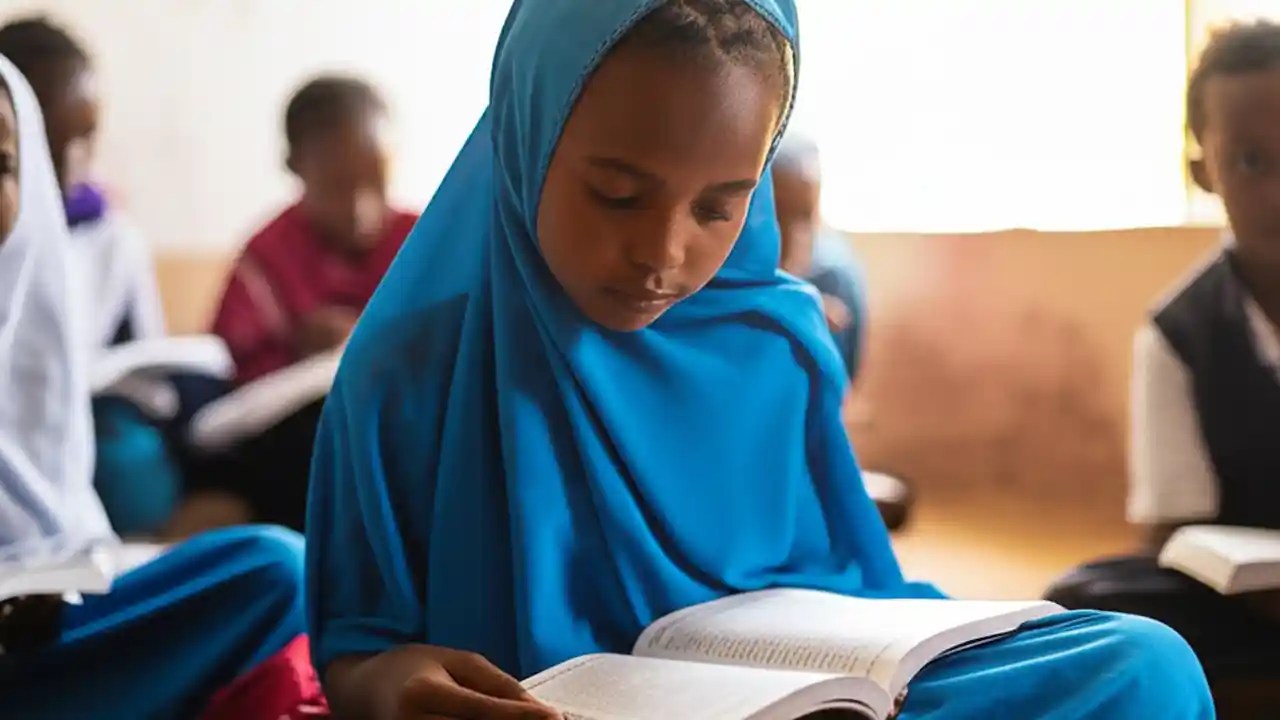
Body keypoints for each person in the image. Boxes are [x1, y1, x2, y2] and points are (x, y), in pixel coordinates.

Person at [305, 2, 1213, 719]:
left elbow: (848, 593)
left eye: (718, 207)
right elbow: (355, 649)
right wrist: (388, 682)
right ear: (526, 135)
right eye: (617, 195)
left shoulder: (777, 342)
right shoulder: (406, 372)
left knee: (1139, 663)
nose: (662, 254)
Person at [0, 54, 308, 718]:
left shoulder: (37, 315)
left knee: (276, 569)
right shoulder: (276, 249)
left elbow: (70, 542)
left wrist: (64, 580)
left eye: (1, 164)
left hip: (38, 634)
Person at [1045, 20, 1280, 708]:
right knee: (1084, 603)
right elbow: (1174, 535)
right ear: (1203, 171)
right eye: (1251, 162)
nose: (1277, 192)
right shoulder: (1179, 332)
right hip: (1253, 604)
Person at [211, 75, 415, 385]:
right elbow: (231, 372)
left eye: (377, 182)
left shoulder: (425, 243)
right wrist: (296, 350)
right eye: (337, 187)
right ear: (295, 166)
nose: (360, 210)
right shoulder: (266, 259)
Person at [0, 17, 165, 352]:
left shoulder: (114, 239)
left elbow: (149, 354)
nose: (69, 163)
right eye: (48, 140)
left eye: (85, 139)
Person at [773, 132, 867, 380]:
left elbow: (842, 381)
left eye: (805, 216)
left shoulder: (833, 278)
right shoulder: (722, 271)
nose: (791, 237)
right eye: (775, 214)